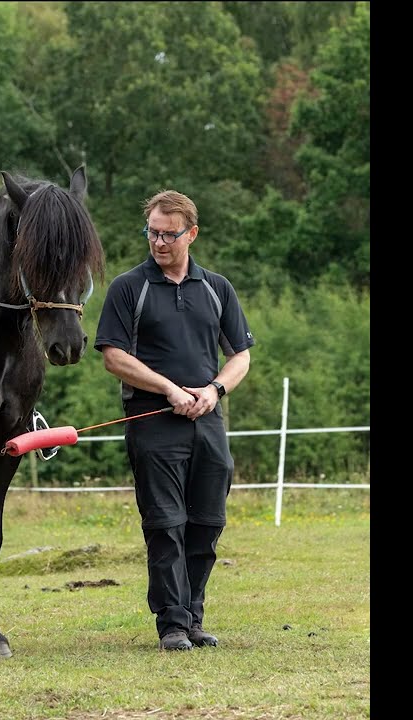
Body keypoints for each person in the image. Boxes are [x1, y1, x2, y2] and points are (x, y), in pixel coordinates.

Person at [94, 190, 255, 651]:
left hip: (207, 420)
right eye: (153, 233)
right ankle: (171, 624)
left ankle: (194, 615)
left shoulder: (216, 287)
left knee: (207, 520)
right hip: (153, 420)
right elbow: (113, 356)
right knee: (165, 522)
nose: (159, 242)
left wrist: (214, 389)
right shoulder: (130, 287)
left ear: (192, 234)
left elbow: (239, 356)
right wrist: (167, 387)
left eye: (169, 234)